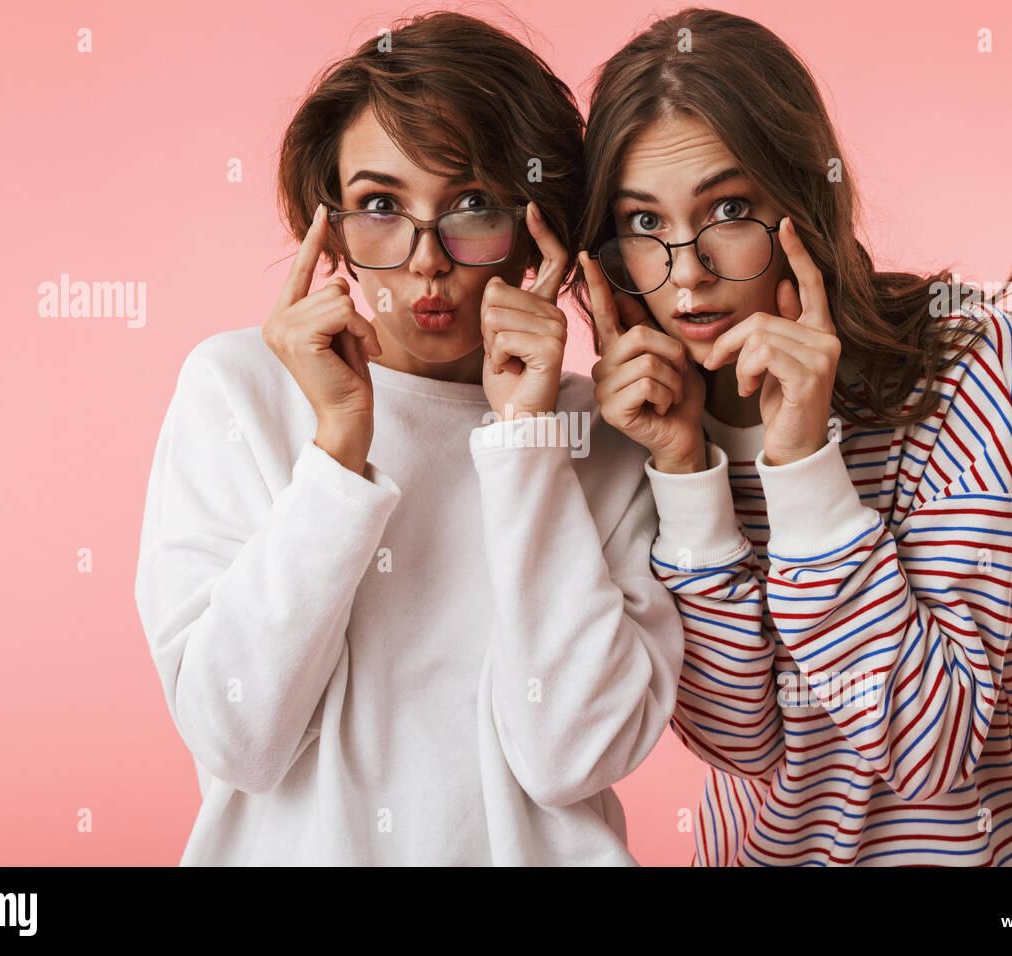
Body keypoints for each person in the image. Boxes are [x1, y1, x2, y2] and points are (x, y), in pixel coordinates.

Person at [134, 11, 684, 865]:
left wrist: (526, 442)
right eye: (380, 206)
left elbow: (570, 757)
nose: (426, 260)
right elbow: (237, 738)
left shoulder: (605, 438)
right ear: (331, 231)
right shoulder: (237, 390)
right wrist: (339, 448)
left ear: (540, 231)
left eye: (471, 205)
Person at [571, 7, 1012, 866]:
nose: (689, 271)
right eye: (643, 223)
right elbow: (744, 745)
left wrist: (806, 465)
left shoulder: (965, 355)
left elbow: (930, 748)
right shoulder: (641, 417)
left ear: (804, 201)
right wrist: (685, 472)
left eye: (729, 208)